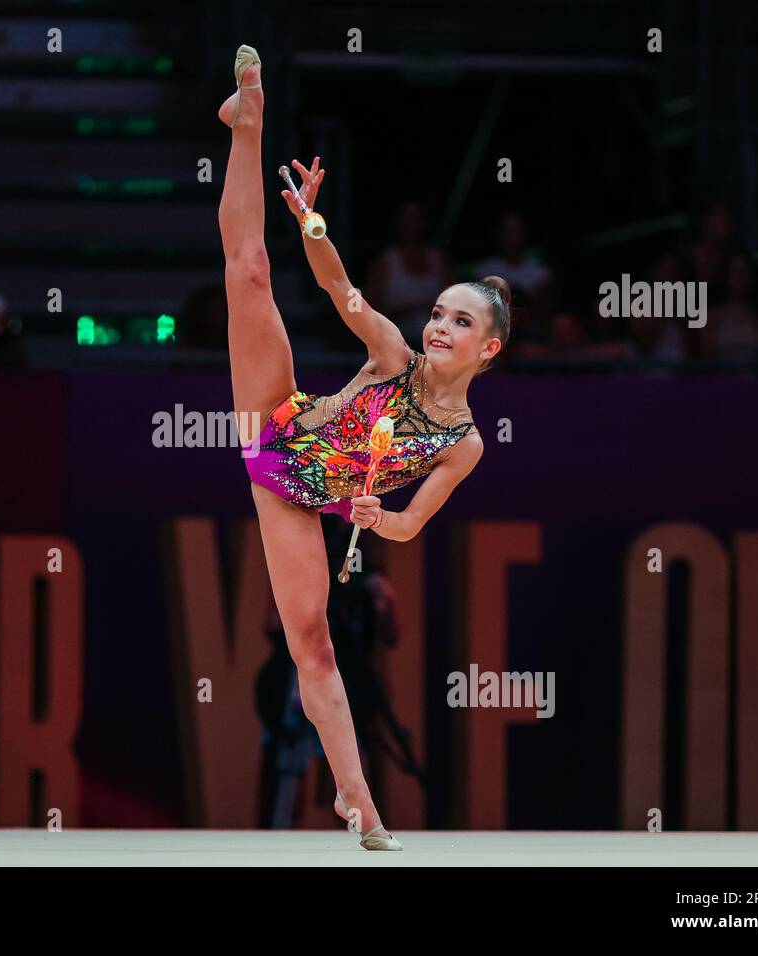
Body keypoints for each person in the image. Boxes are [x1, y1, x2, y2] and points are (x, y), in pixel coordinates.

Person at [217, 45, 499, 850]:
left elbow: (411, 528)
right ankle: (248, 123)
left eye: (460, 322)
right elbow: (342, 290)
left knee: (314, 645)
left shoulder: (464, 444)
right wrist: (311, 221)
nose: (439, 326)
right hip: (278, 423)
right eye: (440, 313)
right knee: (251, 272)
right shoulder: (393, 358)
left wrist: (376, 517)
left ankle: (359, 804)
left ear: (488, 351)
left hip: (296, 493)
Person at [365, 201, 451, 346]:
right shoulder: (385, 262)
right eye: (408, 219)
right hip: (393, 343)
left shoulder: (439, 261)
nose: (412, 225)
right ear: (398, 223)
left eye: (417, 219)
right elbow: (370, 311)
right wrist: (413, 308)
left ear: (425, 223)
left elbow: (455, 307)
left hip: (437, 344)